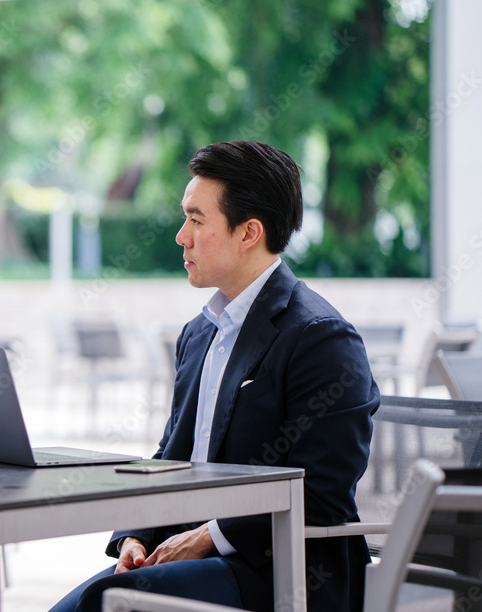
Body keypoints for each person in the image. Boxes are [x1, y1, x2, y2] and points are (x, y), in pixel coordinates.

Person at [50, 141, 380, 612]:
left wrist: (209, 536)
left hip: (282, 569)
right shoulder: (200, 332)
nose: (181, 236)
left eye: (197, 220)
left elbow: (322, 492)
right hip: (195, 555)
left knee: (107, 603)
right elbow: (171, 455)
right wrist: (136, 535)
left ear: (249, 232)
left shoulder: (320, 337)